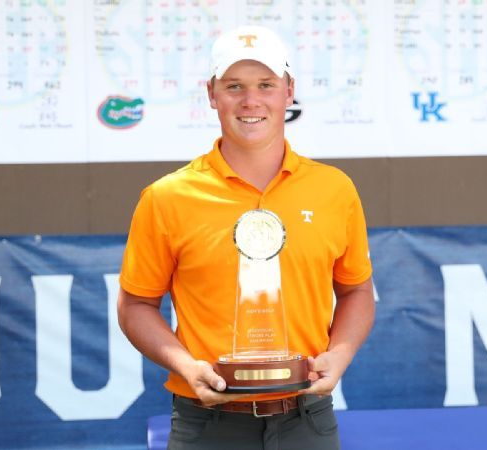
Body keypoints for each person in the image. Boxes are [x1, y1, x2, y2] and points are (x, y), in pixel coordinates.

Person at [117, 25, 375, 450]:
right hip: (207, 424)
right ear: (212, 94)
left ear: (288, 92)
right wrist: (185, 365)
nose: (250, 101)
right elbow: (135, 306)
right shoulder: (167, 197)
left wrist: (341, 354)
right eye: (234, 86)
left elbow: (357, 291)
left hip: (306, 421)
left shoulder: (335, 189)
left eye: (265, 85)